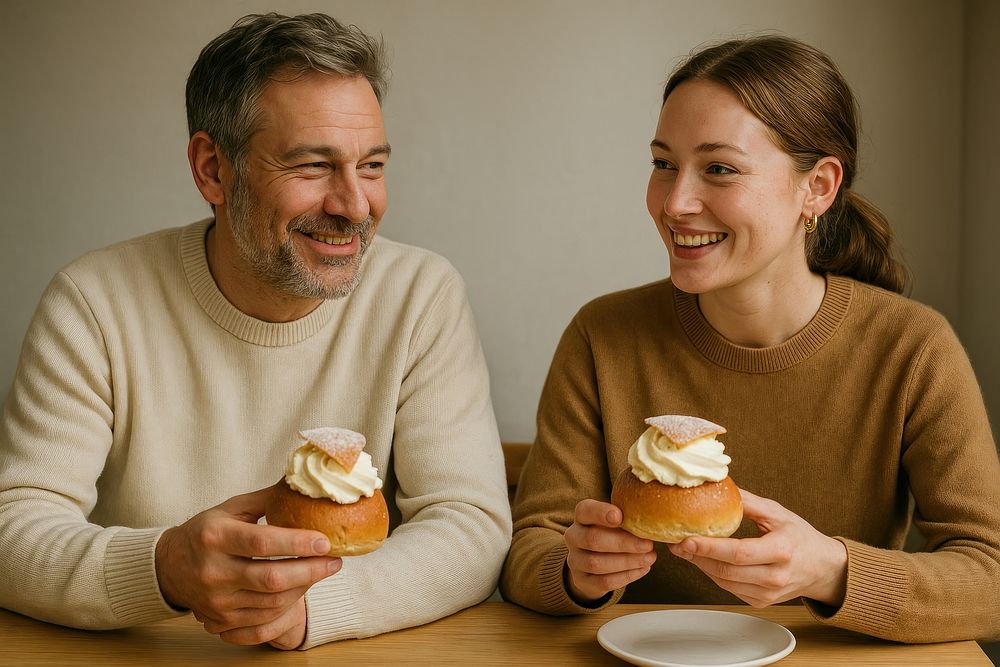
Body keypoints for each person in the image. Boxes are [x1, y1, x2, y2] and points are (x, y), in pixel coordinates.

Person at [0, 13, 511, 650]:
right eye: (313, 166)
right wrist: (165, 569)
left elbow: (470, 526)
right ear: (212, 168)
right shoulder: (94, 303)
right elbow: (13, 529)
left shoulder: (421, 295)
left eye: (372, 165)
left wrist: (306, 614)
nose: (354, 205)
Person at [499, 35, 1000, 643]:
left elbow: (990, 580)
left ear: (817, 187)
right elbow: (532, 552)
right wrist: (576, 573)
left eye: (719, 169)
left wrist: (831, 572)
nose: (676, 203)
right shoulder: (602, 336)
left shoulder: (913, 348)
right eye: (663, 164)